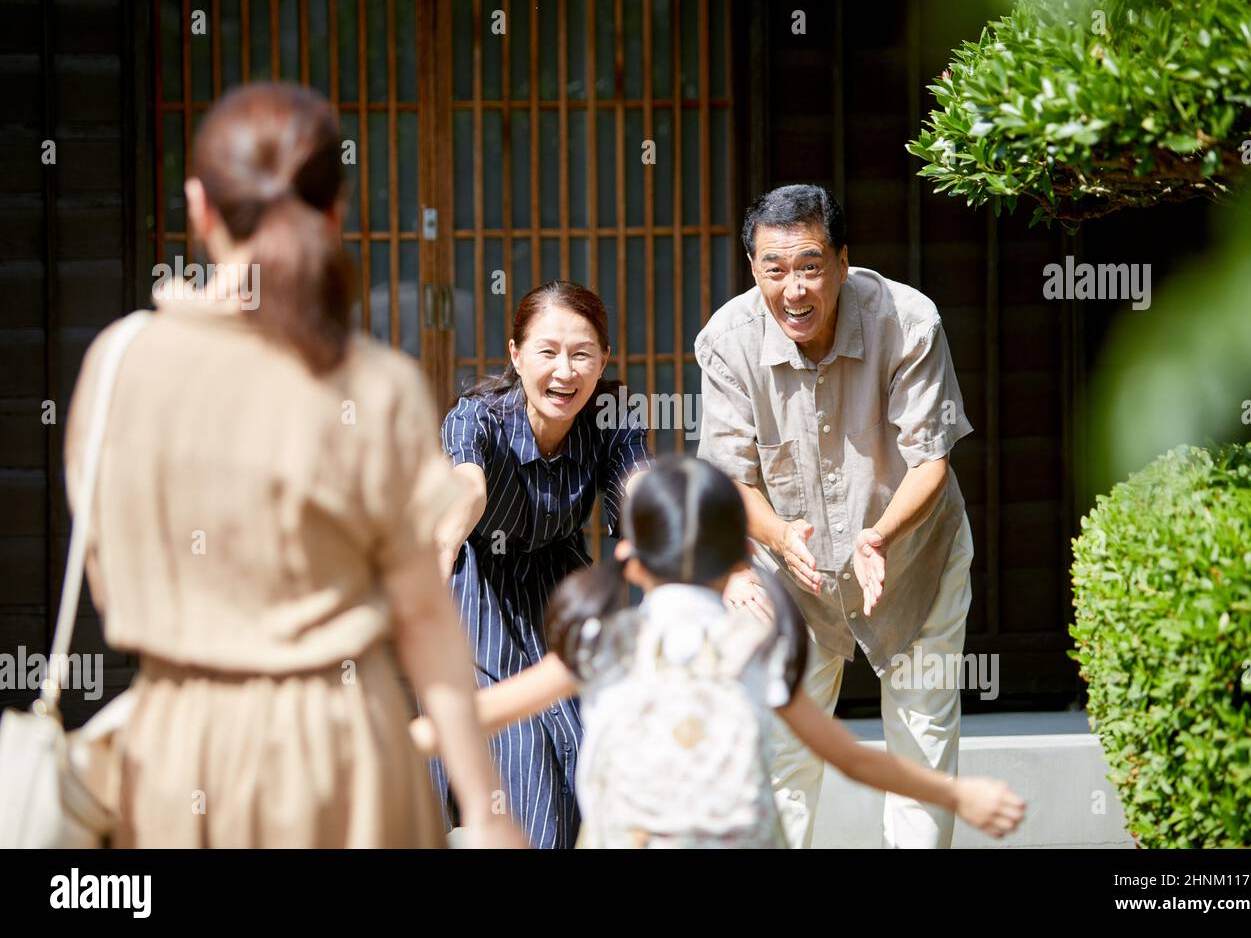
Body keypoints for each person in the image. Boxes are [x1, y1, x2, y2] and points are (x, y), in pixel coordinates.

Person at [65, 82, 523, 848]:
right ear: (335, 213)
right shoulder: (376, 385)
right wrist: (486, 810)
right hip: (346, 757)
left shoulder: (118, 365)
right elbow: (423, 616)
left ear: (198, 207)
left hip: (177, 756)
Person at [410, 456, 1024, 847]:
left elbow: (478, 715)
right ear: (738, 564)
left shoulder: (607, 643)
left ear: (629, 560)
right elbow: (853, 760)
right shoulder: (753, 651)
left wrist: (382, 737)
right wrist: (956, 794)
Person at [695, 183, 977, 848]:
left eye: (811, 266)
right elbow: (729, 479)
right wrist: (778, 536)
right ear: (754, 270)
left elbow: (930, 460)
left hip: (914, 563)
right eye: (775, 269)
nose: (794, 289)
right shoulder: (726, 342)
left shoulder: (908, 322)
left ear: (844, 262)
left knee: (920, 752)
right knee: (784, 753)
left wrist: (878, 534)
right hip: (793, 579)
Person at [427, 281, 652, 848]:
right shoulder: (474, 416)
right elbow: (466, 487)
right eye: (547, 351)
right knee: (523, 740)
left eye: (581, 354)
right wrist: (440, 546)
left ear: (604, 359)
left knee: (582, 740)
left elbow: (639, 493)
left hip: (561, 590)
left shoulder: (612, 414)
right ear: (515, 354)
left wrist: (697, 563)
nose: (565, 371)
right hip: (476, 586)